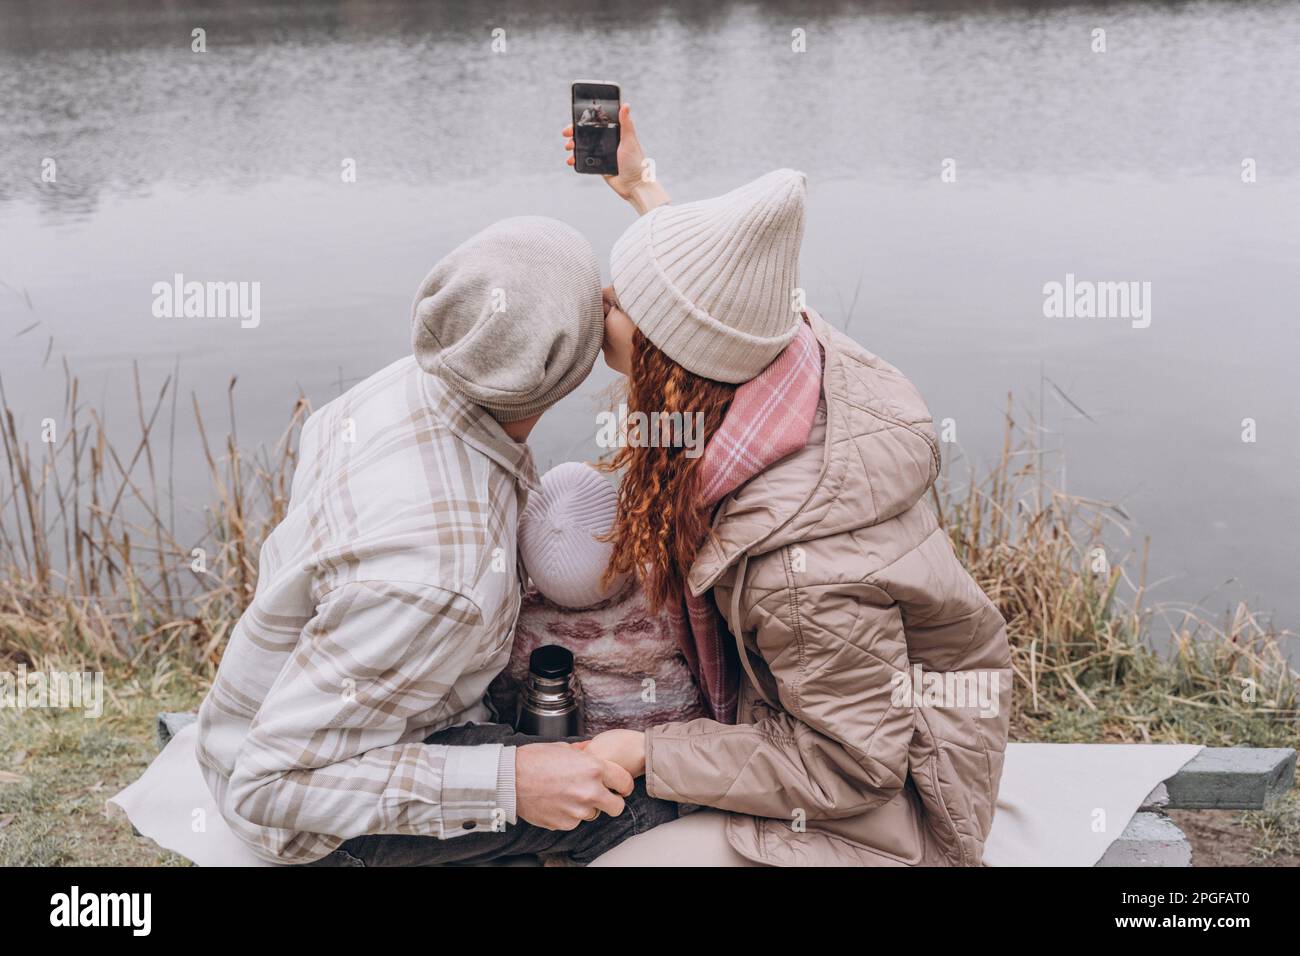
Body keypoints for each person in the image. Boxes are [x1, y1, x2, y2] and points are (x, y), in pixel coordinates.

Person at [562, 108, 1013, 866]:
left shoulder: (799, 575)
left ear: (673, 369)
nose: (604, 301)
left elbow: (851, 768)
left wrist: (649, 751)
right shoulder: (790, 352)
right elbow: (721, 308)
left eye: (621, 305)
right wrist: (642, 188)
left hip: (904, 805)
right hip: (857, 719)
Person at [195, 217, 676, 867]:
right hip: (311, 818)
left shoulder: (405, 384)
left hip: (275, 722)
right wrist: (511, 785)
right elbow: (270, 788)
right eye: (597, 300)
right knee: (643, 809)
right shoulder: (446, 572)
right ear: (563, 367)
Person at [490, 461, 708, 735]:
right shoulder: (660, 596)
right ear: (626, 537)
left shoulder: (526, 625)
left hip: (588, 752)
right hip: (672, 736)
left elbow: (502, 696)